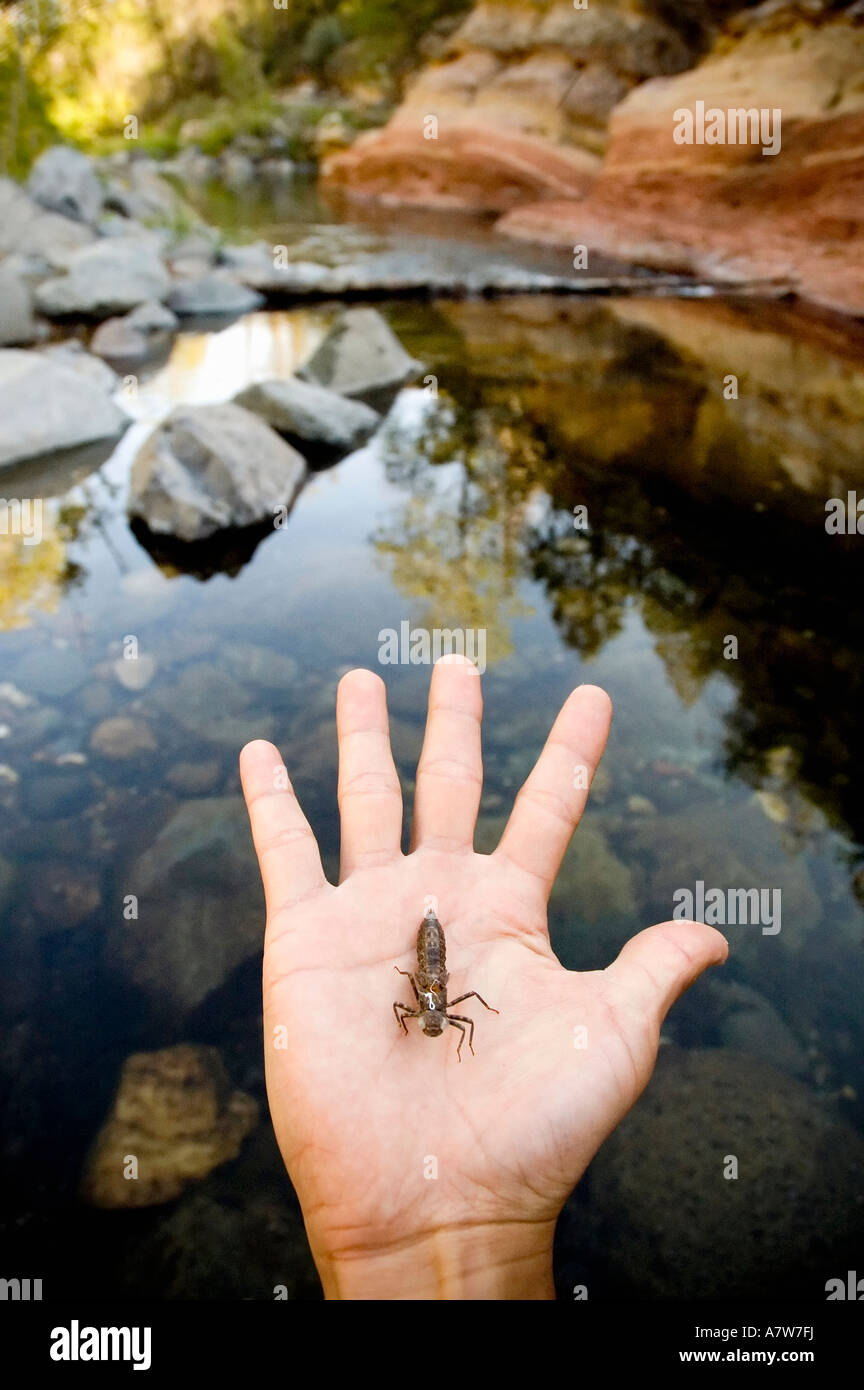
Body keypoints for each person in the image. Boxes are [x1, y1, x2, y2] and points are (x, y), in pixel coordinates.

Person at [239, 656, 727, 1300]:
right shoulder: (422, 1002)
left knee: (452, 987)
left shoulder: (443, 1008)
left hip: (432, 957)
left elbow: (453, 1008)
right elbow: (413, 1003)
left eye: (436, 1022)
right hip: (428, 955)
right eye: (435, 1021)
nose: (437, 1025)